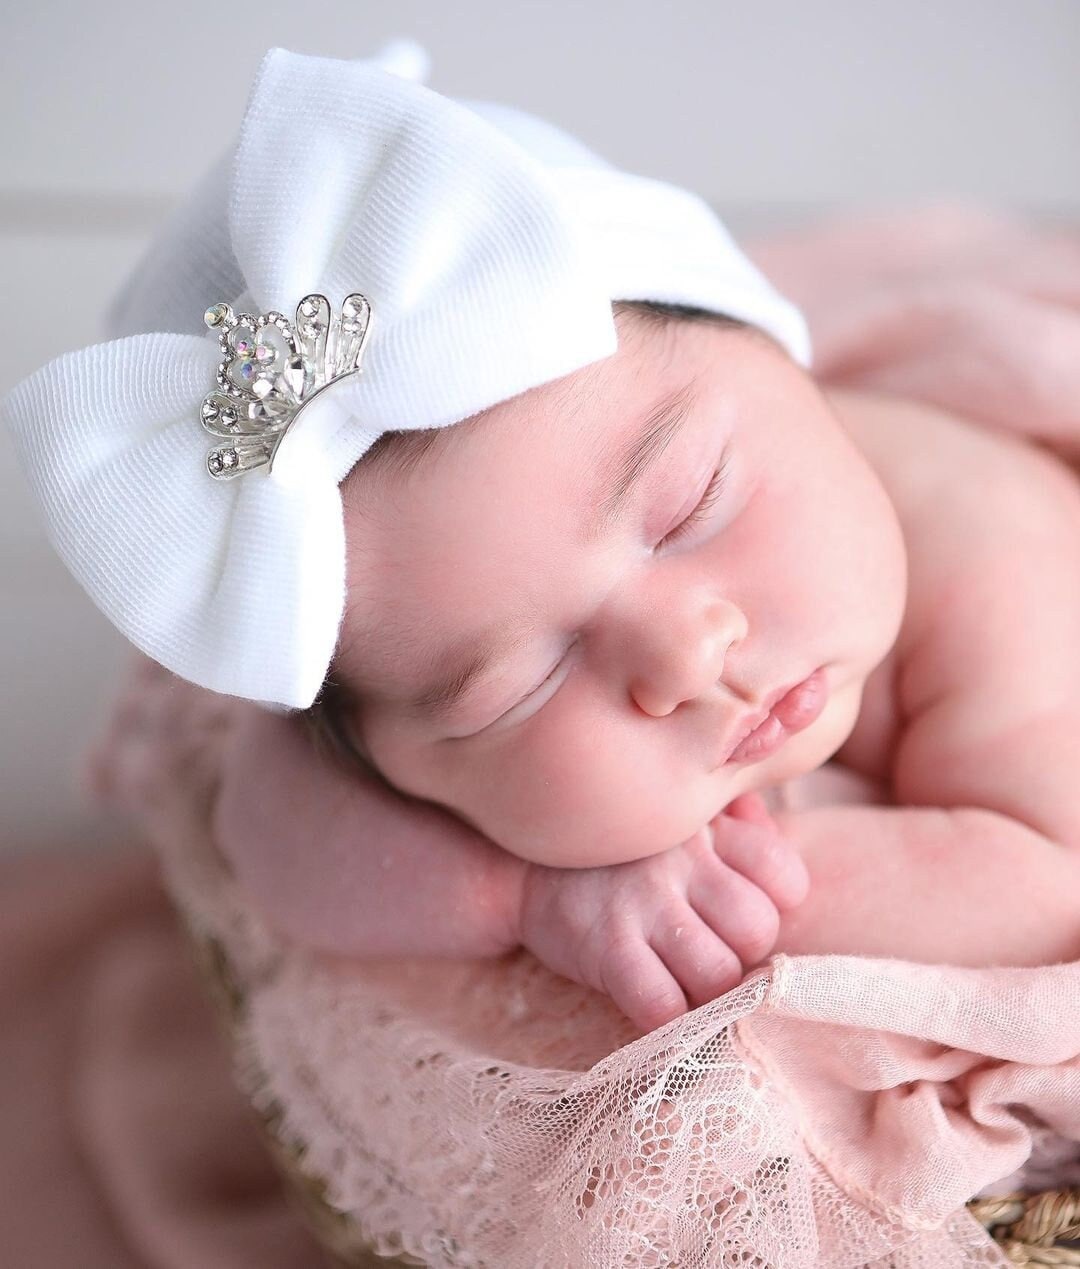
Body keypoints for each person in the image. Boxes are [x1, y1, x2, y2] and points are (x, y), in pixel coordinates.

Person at [8, 44, 1080, 1039]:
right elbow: (267, 832)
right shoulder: (378, 674)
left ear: (779, 354)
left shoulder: (993, 548)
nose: (683, 656)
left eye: (691, 505)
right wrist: (528, 894)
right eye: (515, 688)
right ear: (401, 768)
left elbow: (1048, 895)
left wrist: (729, 894)